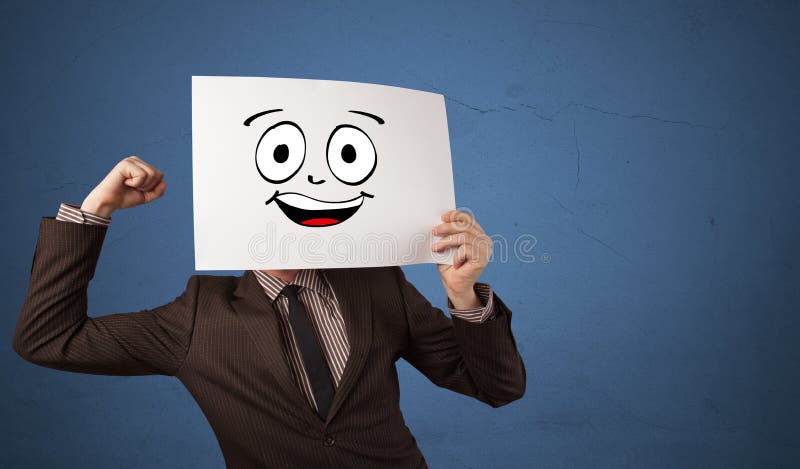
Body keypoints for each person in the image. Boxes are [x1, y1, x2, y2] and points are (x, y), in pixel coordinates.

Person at [13, 156, 526, 468]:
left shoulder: (379, 283)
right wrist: (95, 211)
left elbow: (496, 387)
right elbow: (46, 338)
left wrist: (464, 295)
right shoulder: (197, 317)